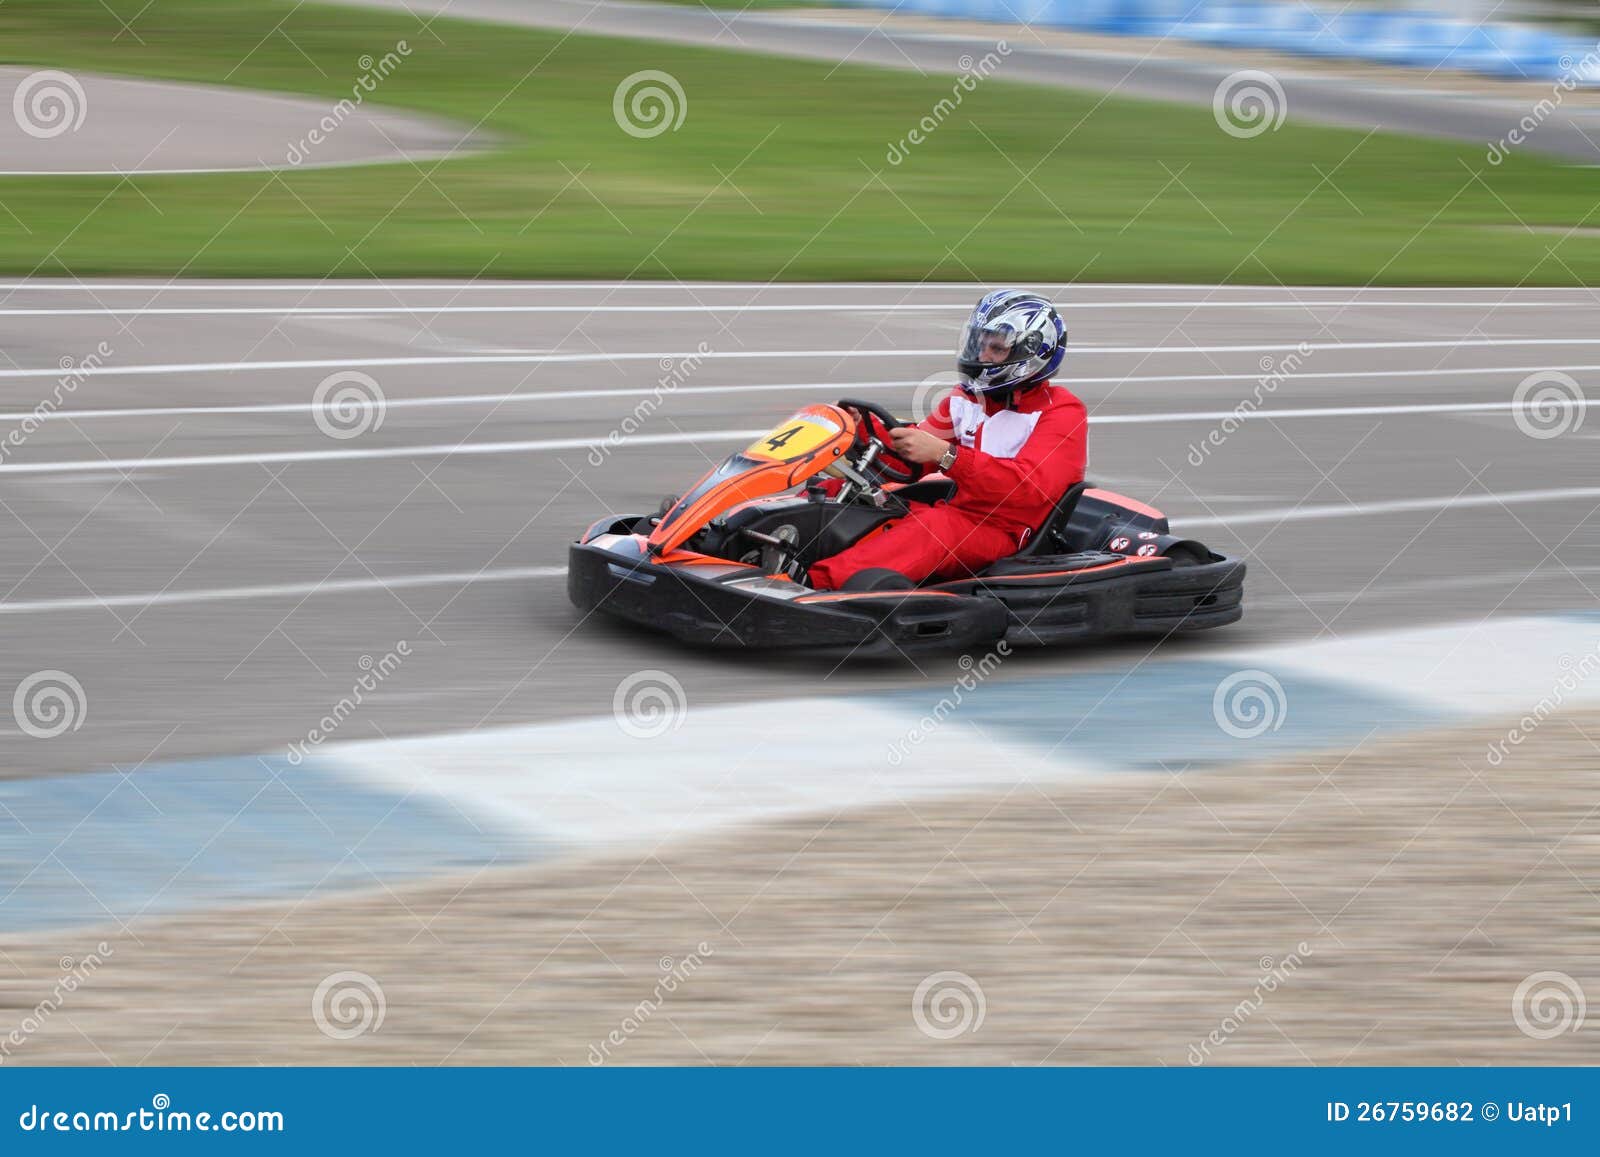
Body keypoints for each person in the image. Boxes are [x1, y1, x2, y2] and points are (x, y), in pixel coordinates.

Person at [807, 290, 1087, 591]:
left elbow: (1026, 490)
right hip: (954, 514)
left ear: (1030, 353)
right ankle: (771, 551)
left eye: (996, 348)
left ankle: (814, 586)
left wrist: (948, 455)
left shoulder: (1061, 413)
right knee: (841, 491)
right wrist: (864, 428)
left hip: (1007, 533)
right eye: (980, 343)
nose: (982, 355)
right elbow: (907, 460)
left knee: (935, 529)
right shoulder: (966, 399)